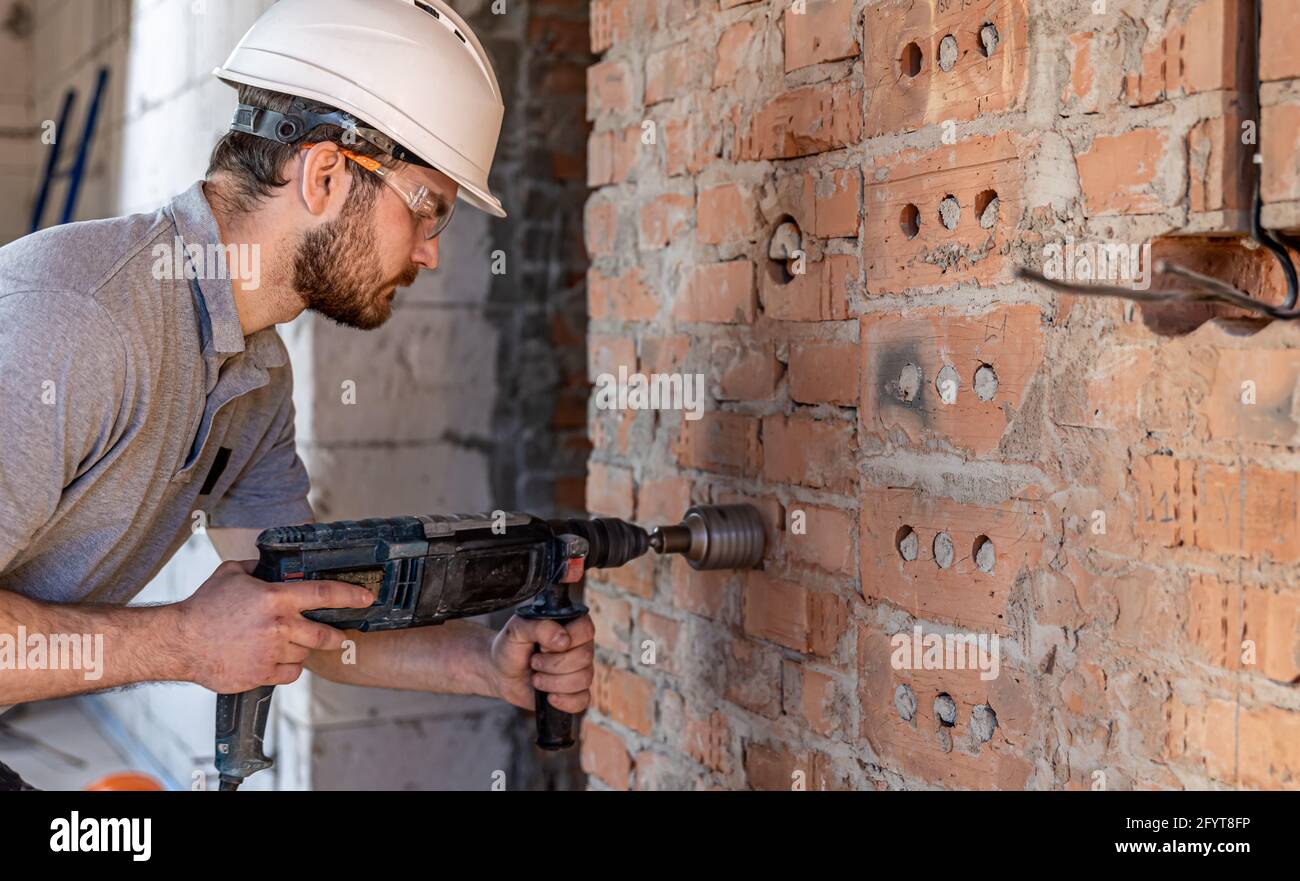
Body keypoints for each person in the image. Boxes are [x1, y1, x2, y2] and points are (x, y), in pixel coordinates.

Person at [0, 0, 593, 789]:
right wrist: (182, 641)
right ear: (322, 174)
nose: (428, 252)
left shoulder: (255, 376)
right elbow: (206, 637)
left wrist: (486, 663)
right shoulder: (79, 321)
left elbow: (300, 610)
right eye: (428, 209)